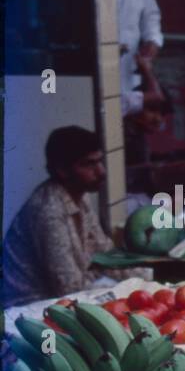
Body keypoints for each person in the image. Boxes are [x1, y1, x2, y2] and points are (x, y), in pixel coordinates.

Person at [3, 128, 131, 307]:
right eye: (89, 164)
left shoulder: (80, 196)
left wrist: (152, 278)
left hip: (69, 296)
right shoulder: (48, 210)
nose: (101, 171)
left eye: (100, 161)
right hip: (28, 309)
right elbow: (68, 288)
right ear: (63, 170)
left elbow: (105, 254)